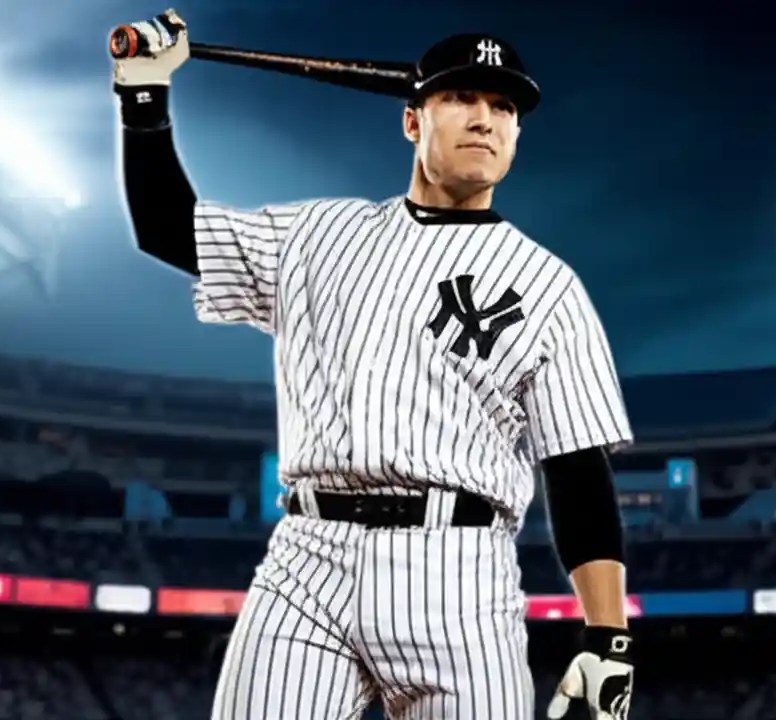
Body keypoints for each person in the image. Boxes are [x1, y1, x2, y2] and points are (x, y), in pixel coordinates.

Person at [111, 9, 636, 719]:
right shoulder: (318, 235)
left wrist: (609, 639)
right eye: (461, 97)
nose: (485, 118)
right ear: (413, 121)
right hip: (307, 559)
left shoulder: (548, 286)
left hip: (459, 575)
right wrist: (143, 99)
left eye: (504, 105)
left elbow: (576, 468)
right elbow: (170, 231)